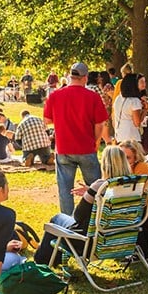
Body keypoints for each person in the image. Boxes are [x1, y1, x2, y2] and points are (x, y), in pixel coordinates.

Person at [43, 62, 108, 215]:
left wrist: (62, 119)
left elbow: (47, 120)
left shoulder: (55, 95)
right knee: (96, 188)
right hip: (86, 147)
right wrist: (96, 141)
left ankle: (67, 224)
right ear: (85, 77)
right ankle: (96, 218)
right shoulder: (93, 97)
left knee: (65, 190)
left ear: (70, 76)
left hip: (64, 148)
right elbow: (100, 123)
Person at [112, 73, 145, 143]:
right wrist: (145, 110)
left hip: (119, 134)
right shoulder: (134, 101)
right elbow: (137, 123)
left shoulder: (118, 98)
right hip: (131, 136)